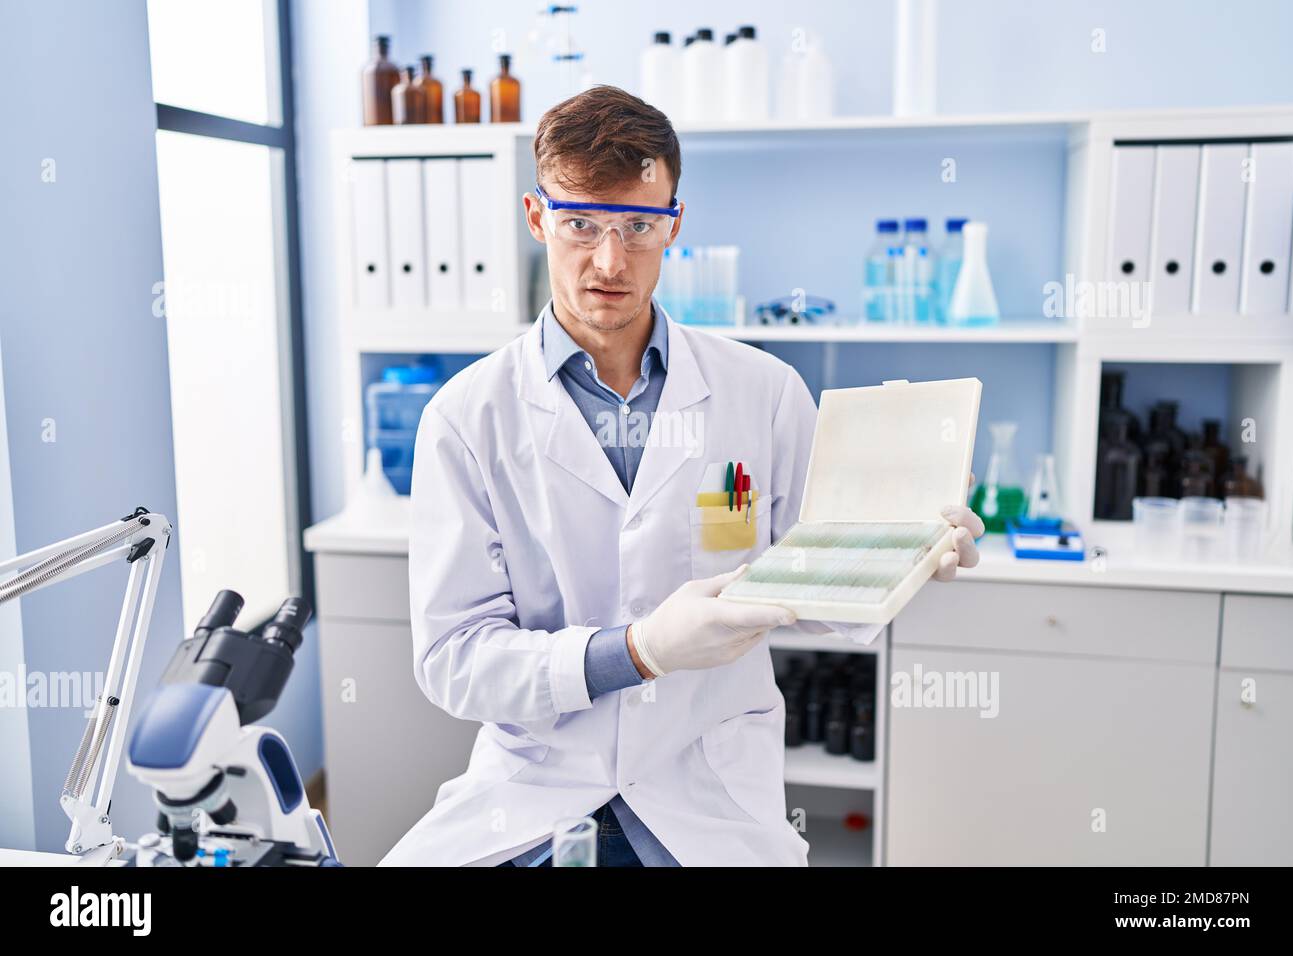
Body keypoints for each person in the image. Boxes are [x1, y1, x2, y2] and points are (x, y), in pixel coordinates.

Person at [380, 86, 983, 867]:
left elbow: (823, 597)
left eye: (638, 226)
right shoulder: (466, 417)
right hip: (535, 791)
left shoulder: (762, 391)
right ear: (537, 218)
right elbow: (453, 660)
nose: (610, 260)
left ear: (676, 223)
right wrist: (635, 651)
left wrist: (906, 552)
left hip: (709, 795)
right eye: (581, 225)